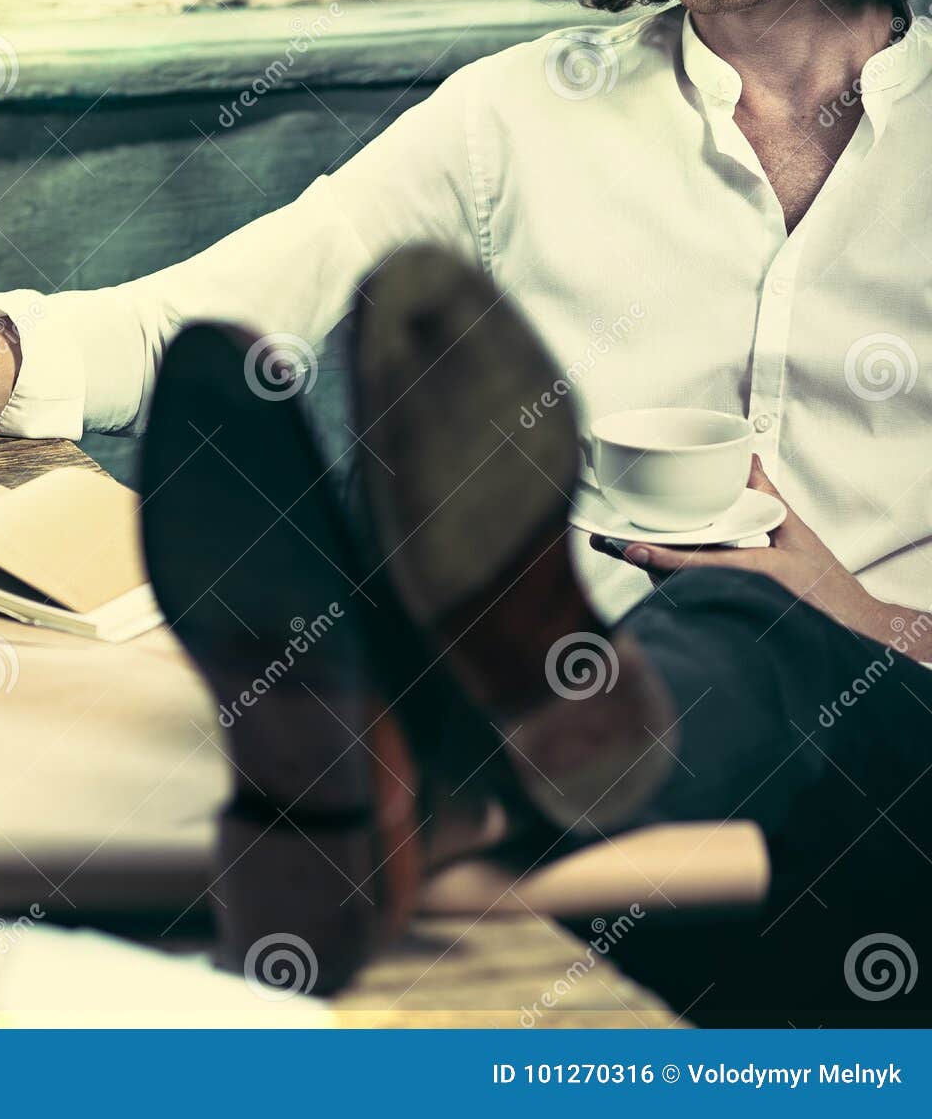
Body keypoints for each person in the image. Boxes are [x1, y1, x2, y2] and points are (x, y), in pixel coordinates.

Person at [0, 0, 932, 633]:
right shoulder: (518, 115)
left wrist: (868, 626)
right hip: (563, 710)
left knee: (722, 659)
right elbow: (197, 316)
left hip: (886, 741)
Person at [137, 245, 932, 1025]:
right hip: (746, 843)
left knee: (767, 643)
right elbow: (264, 265)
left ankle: (409, 774)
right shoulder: (512, 124)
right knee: (704, 769)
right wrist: (10, 347)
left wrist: (853, 609)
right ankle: (441, 799)